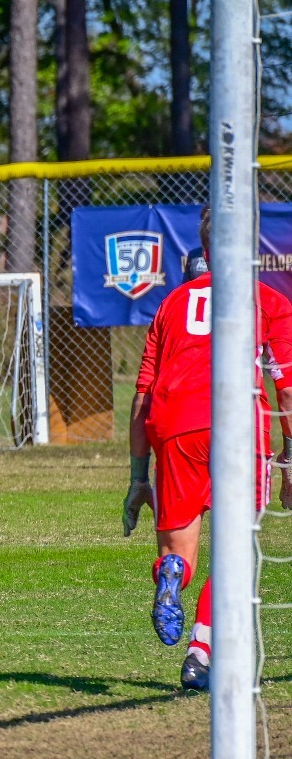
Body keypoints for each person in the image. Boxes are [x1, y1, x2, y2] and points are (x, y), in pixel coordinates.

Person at [125, 207, 292, 690]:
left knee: (180, 550)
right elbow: (286, 391)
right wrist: (289, 457)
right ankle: (200, 652)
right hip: (239, 427)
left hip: (175, 425)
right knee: (236, 551)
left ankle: (171, 572)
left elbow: (141, 396)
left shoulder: (171, 304)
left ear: (204, 248)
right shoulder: (268, 301)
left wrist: (137, 478)